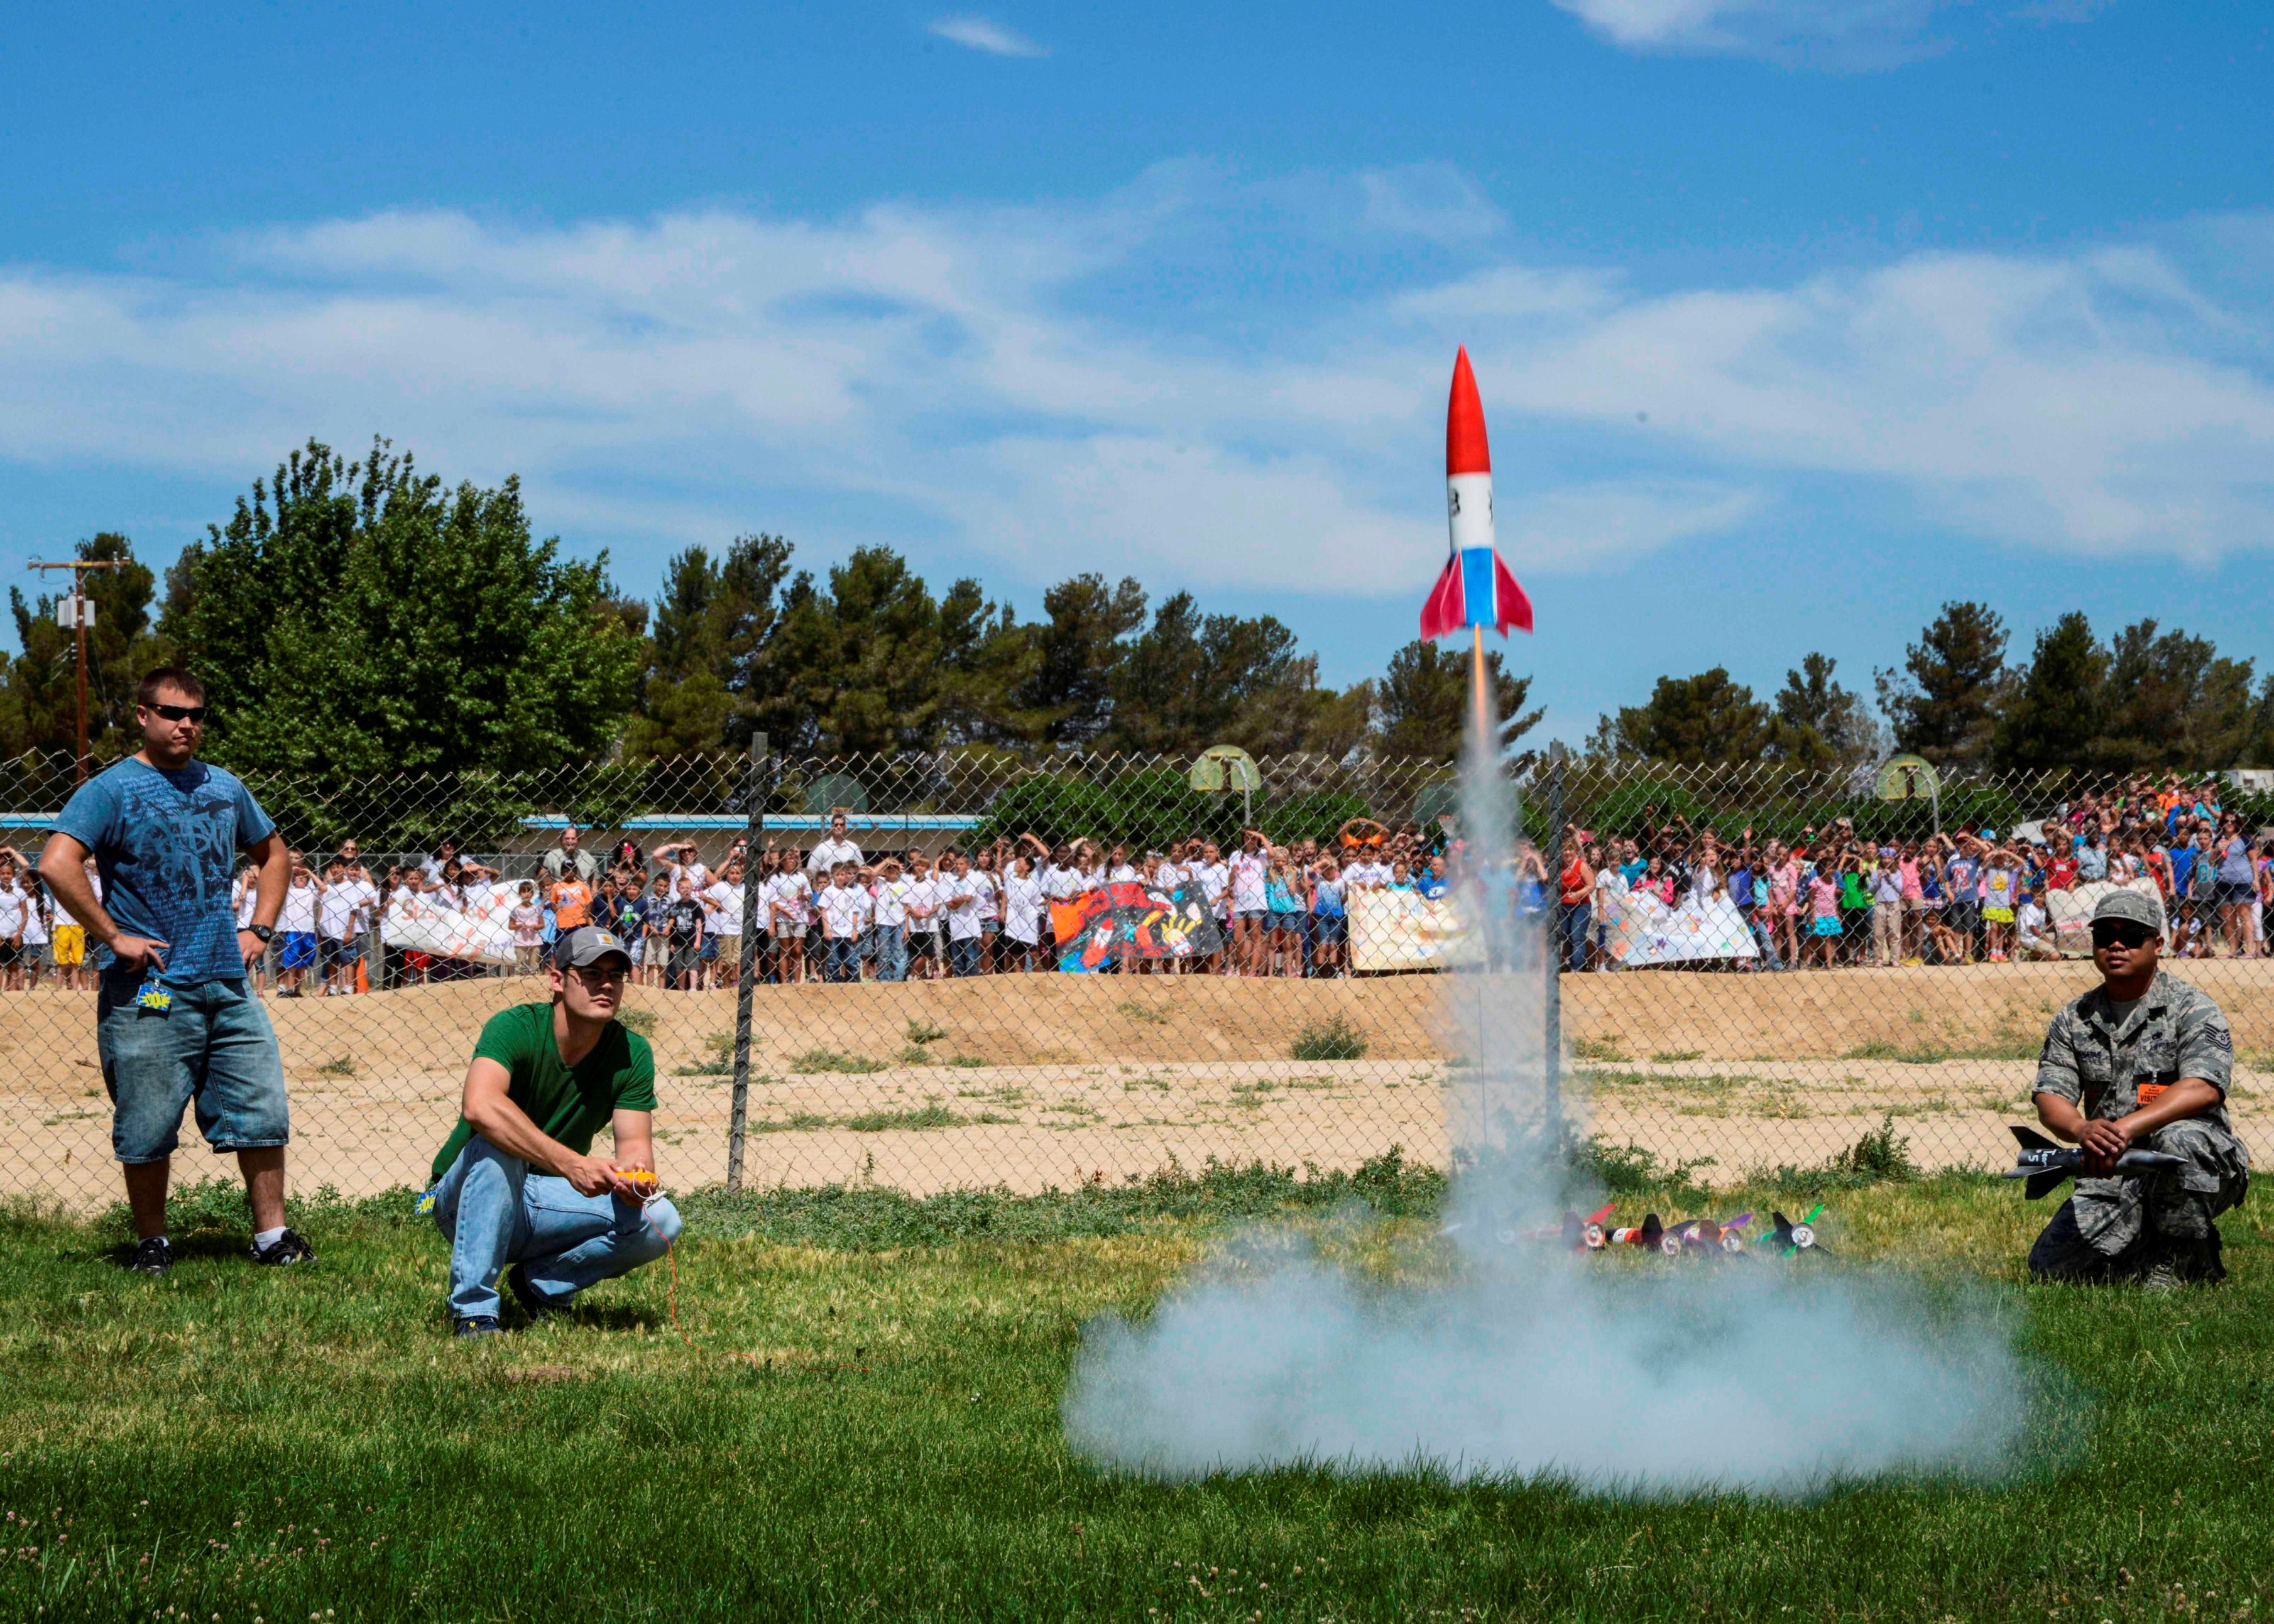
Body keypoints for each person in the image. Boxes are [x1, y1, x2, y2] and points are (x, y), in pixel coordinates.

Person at [40, 667, 308, 1274]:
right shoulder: (112, 789)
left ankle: (273, 1237)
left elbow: (274, 854)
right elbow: (58, 862)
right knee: (148, 1121)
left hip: (229, 984)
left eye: (196, 715)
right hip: (150, 990)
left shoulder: (224, 786)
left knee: (263, 1112)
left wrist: (259, 930)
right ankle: (152, 1242)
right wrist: (111, 935)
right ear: (142, 715)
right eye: (170, 712)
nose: (186, 724)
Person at [424, 924, 680, 1336]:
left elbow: (635, 1144)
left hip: (545, 1198)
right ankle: (474, 1312)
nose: (606, 986)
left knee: (661, 1219)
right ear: (557, 978)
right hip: (468, 1197)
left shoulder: (633, 1051)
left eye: (615, 976)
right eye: (592, 974)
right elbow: (479, 1105)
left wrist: (633, 1177)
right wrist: (571, 1164)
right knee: (500, 1144)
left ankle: (541, 1285)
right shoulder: (515, 1027)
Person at [2025, 890, 2249, 1289]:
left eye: (2131, 936)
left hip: (2195, 1160)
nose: (2116, 944)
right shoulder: (2074, 1018)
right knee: (2052, 1269)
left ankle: (2181, 1262)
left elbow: (2204, 1087)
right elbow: (2051, 1095)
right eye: (2105, 936)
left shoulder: (2191, 1008)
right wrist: (2081, 1131)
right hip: (2113, 1167)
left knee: (2180, 1139)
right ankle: (2158, 1245)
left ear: (2157, 944)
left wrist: (2125, 1128)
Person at [664, 876, 707, 991]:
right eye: (682, 888)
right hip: (677, 941)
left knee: (693, 965)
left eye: (688, 888)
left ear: (692, 889)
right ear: (678, 889)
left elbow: (699, 924)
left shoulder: (695, 905)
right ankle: (681, 989)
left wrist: (698, 941)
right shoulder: (675, 905)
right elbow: (671, 926)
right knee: (679, 967)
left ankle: (693, 988)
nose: (685, 890)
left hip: (692, 941)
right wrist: (670, 942)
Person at [806, 812, 863, 882]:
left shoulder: (853, 847)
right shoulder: (822, 848)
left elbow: (861, 868)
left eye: (842, 825)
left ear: (845, 827)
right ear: (831, 827)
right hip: (828, 887)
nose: (839, 827)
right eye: (836, 825)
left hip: (848, 887)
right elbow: (811, 870)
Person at [541, 824, 601, 888]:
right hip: (560, 893)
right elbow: (544, 877)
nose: (570, 841)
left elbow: (595, 878)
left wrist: (594, 891)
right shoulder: (552, 856)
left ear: (578, 841)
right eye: (567, 838)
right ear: (561, 841)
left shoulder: (587, 857)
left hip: (583, 894)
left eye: (573, 839)